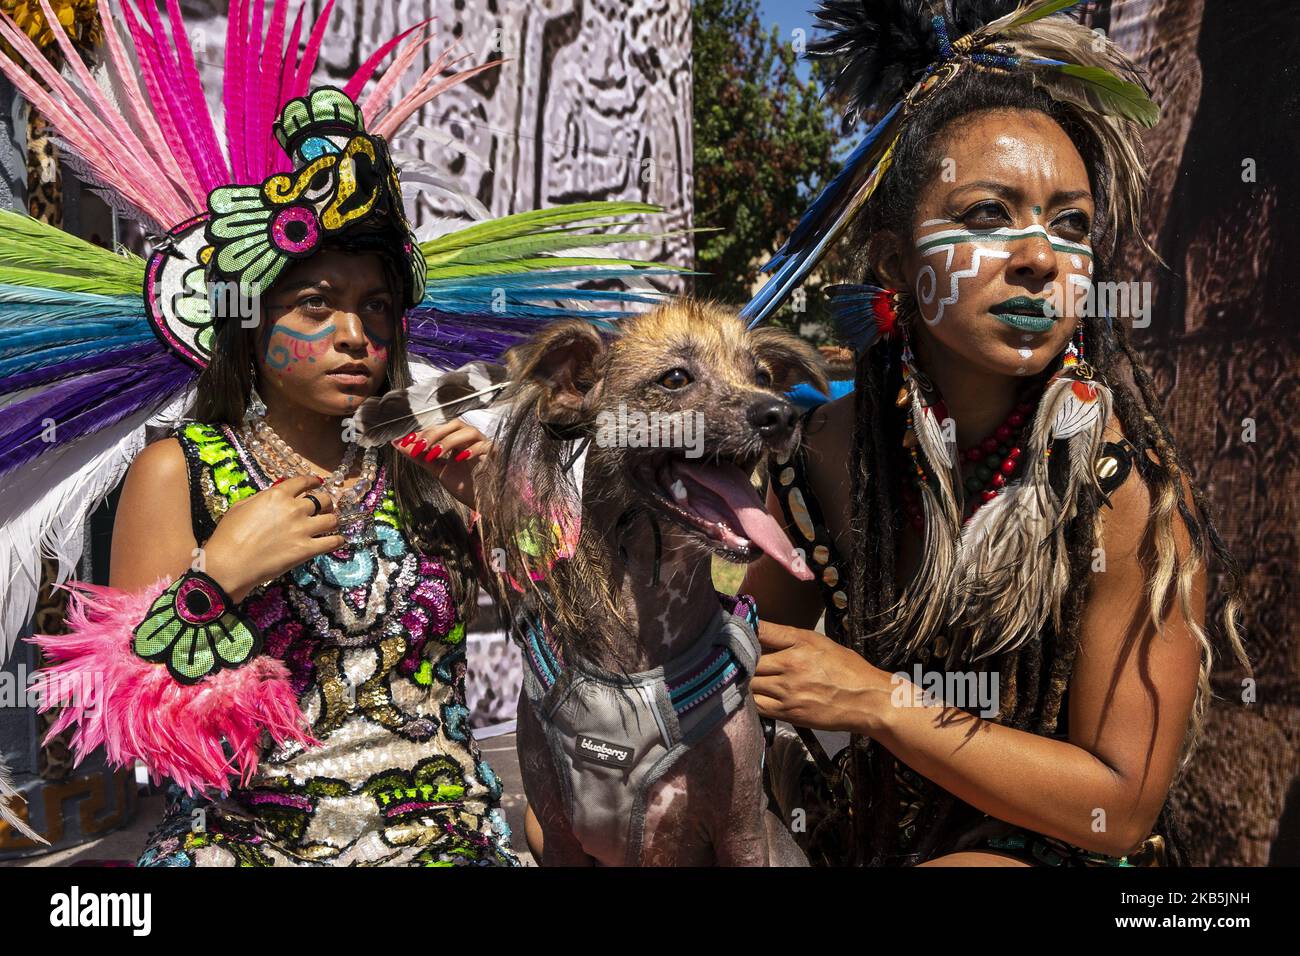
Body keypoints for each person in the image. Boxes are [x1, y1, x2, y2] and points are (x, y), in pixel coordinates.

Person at [0, 3, 667, 860]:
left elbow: (590, 647)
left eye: (376, 308)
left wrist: (511, 509)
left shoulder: (427, 464)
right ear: (247, 321)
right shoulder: (180, 472)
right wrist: (218, 577)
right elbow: (129, 719)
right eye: (317, 305)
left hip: (445, 839)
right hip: (250, 843)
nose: (356, 334)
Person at [739, 0, 1249, 866]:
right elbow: (744, 662)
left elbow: (1116, 808)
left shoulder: (1126, 499)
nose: (1040, 257)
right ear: (895, 263)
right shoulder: (826, 453)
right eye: (987, 215)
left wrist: (880, 702)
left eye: (1071, 225)